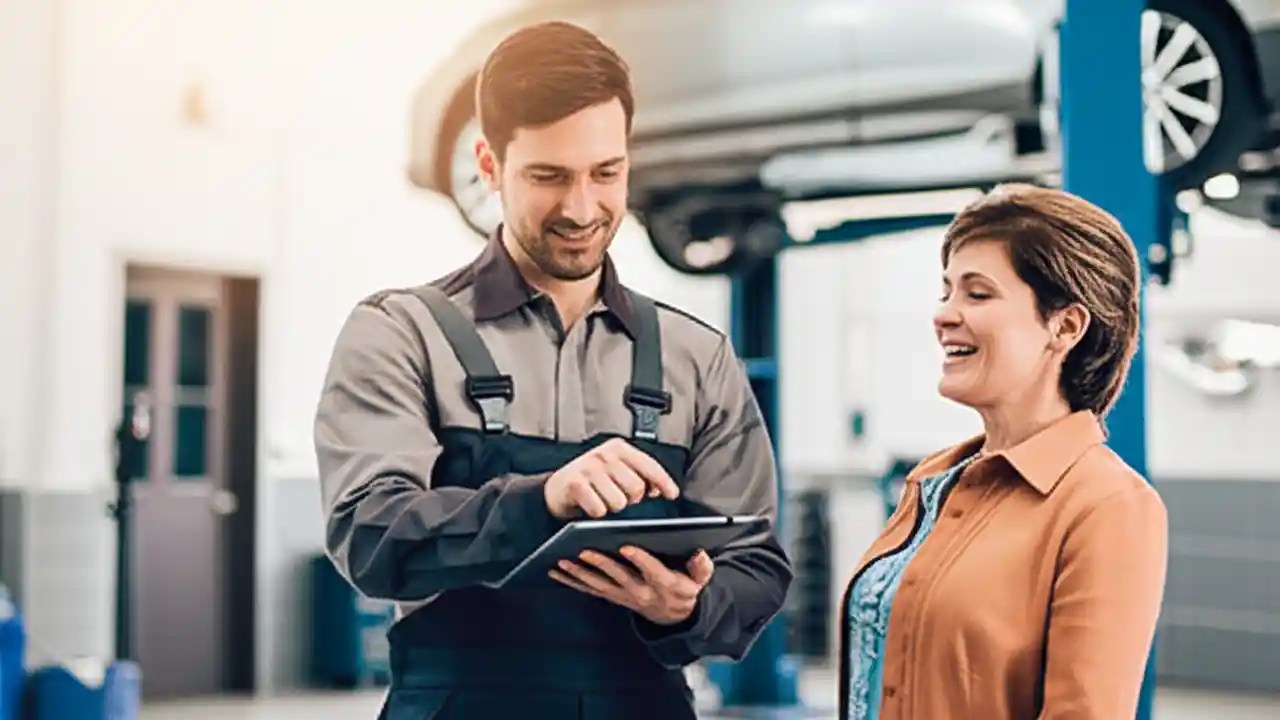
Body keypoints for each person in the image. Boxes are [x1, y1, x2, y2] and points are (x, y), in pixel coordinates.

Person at [313, 20, 793, 720]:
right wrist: (542, 501)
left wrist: (688, 606)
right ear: (488, 166)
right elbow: (370, 534)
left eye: (606, 173)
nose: (581, 208)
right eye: (548, 176)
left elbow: (758, 562)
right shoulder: (401, 334)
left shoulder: (698, 358)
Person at [839, 184, 1169, 719]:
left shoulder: (1108, 505)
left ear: (1064, 326)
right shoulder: (936, 479)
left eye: (978, 293)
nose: (944, 314)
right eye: (946, 291)